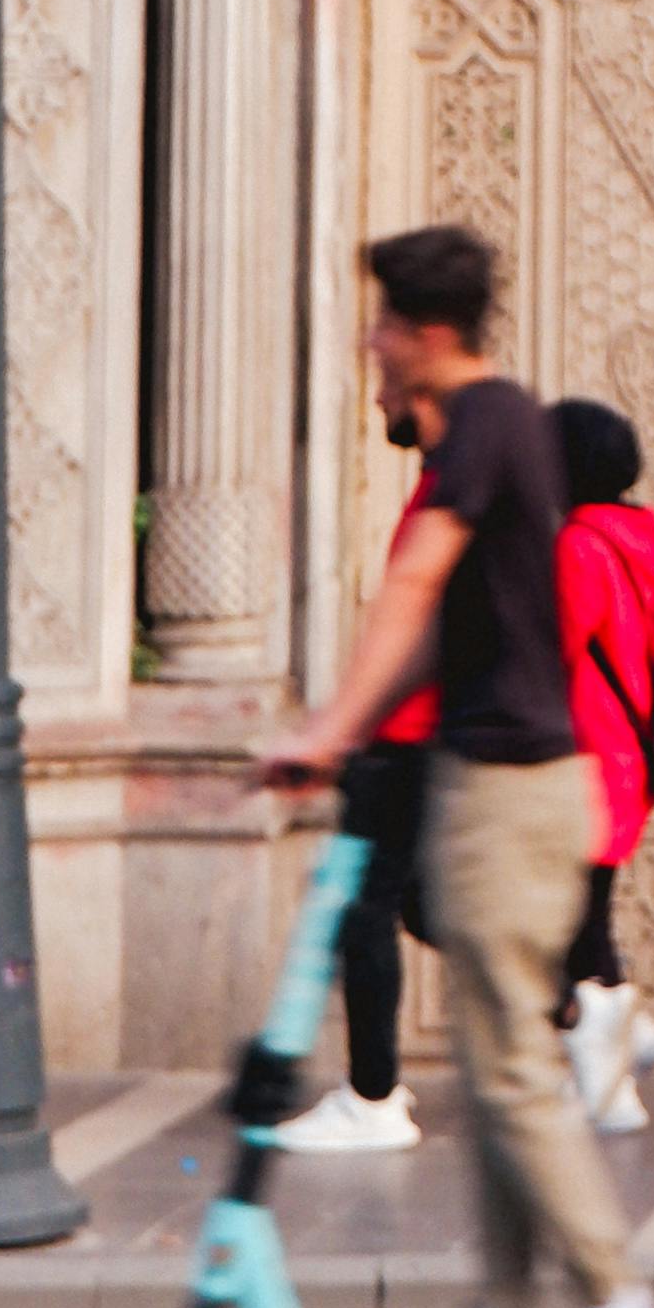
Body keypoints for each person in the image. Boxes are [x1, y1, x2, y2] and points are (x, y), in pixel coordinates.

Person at [267, 224, 654, 1308]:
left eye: (385, 324)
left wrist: (325, 729)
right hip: (494, 784)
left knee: (519, 1083)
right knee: (503, 1075)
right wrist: (348, 732)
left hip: (512, 793)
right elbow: (439, 634)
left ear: (430, 333)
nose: (371, 345)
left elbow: (411, 586)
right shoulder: (497, 430)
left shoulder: (487, 425)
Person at [265, 461, 434, 1154]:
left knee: (366, 909)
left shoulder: (460, 483)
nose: (382, 408)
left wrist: (336, 732)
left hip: (413, 737)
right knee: (426, 907)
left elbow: (415, 620)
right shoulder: (455, 480)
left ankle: (373, 1096)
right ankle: (584, 1000)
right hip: (409, 736)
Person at [547, 396, 654, 1136]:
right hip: (624, 758)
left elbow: (555, 648)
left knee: (573, 923)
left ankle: (618, 1061)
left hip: (586, 759)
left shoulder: (579, 547)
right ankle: (615, 1064)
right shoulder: (639, 542)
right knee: (585, 916)